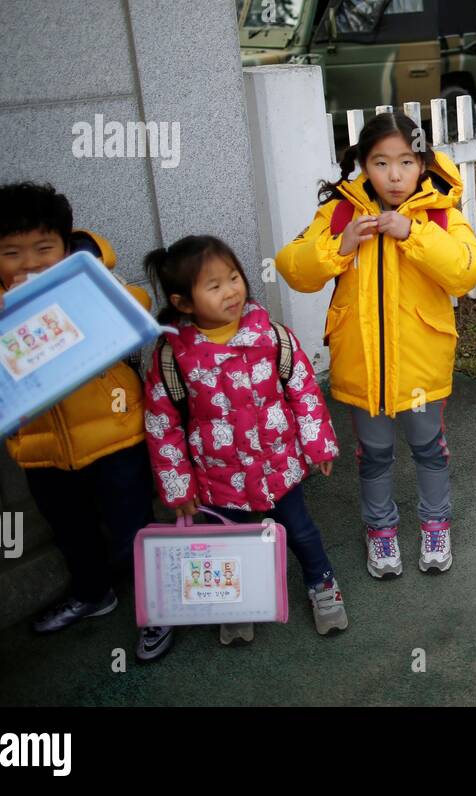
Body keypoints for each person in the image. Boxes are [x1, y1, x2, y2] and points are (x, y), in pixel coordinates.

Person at [0, 183, 171, 661]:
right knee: (70, 530)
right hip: (40, 449)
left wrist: (91, 285)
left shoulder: (90, 282)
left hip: (117, 437)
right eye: (12, 252)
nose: (30, 262)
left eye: (43, 248)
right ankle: (94, 594)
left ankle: (157, 606)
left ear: (65, 244)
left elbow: (136, 303)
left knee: (134, 529)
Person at [276, 112, 476, 578]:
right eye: (381, 162)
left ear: (423, 163)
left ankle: (435, 523)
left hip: (422, 366)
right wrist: (339, 245)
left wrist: (414, 234)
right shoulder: (341, 213)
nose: (395, 175)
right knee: (373, 454)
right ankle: (381, 531)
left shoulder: (439, 213)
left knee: (429, 447)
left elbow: (468, 269)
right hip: (362, 367)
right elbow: (292, 267)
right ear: (363, 165)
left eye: (407, 162)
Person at [143, 235, 346, 645]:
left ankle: (322, 583)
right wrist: (178, 487)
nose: (231, 291)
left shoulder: (271, 336)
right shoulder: (173, 356)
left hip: (278, 467)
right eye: (214, 286)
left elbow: (304, 391)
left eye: (233, 277)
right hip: (218, 477)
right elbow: (163, 426)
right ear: (184, 303)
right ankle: (236, 603)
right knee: (227, 544)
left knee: (301, 530)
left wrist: (318, 445)